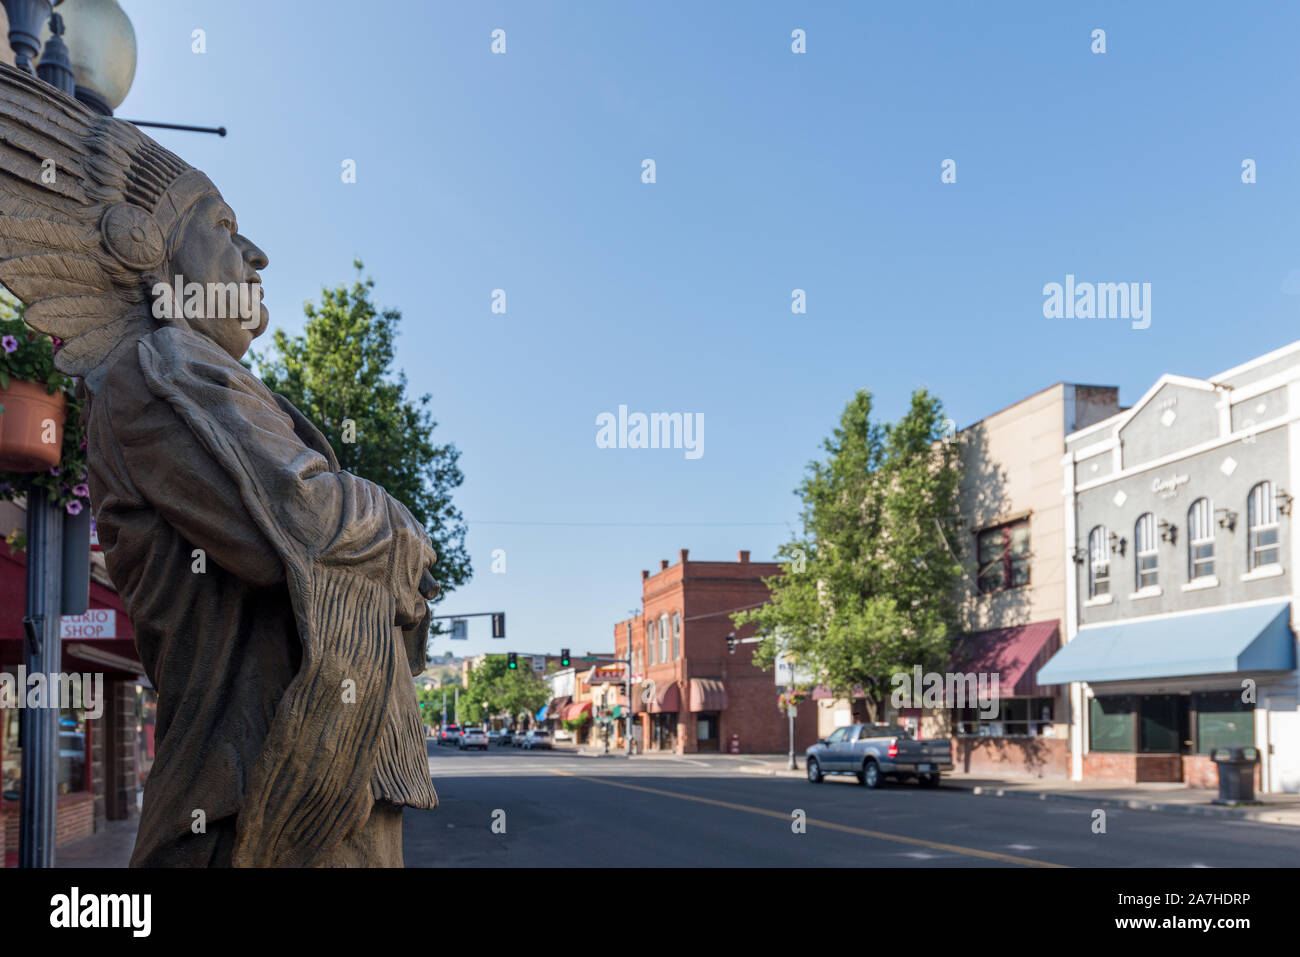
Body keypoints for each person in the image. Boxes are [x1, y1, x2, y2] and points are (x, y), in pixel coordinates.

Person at [0, 64, 439, 867]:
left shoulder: (208, 376)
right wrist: (399, 525)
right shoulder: (159, 367)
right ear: (147, 252)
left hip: (301, 800)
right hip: (254, 816)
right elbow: (302, 524)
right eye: (225, 227)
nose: (256, 253)